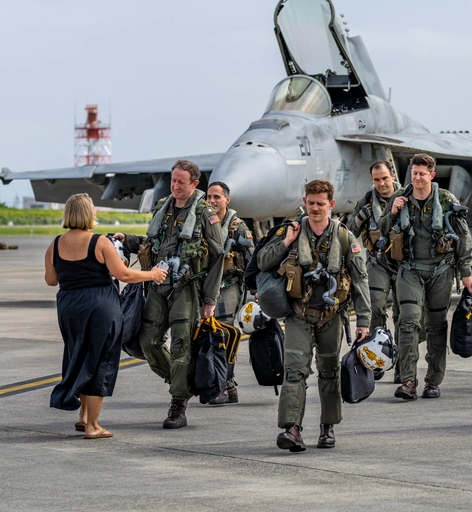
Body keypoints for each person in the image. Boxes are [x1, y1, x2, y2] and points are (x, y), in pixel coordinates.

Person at [256, 179, 371, 452]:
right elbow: (262, 261)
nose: (316, 208)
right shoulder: (291, 232)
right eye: (311, 203)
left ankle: (327, 427)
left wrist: (364, 322)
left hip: (332, 317)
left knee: (329, 372)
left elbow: (360, 280)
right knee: (294, 371)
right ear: (304, 202)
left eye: (321, 203)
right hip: (298, 315)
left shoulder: (345, 238)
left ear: (331, 204)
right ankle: (292, 428)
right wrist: (286, 241)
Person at [43, 193, 168, 439]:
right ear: (88, 214)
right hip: (100, 305)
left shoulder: (54, 244)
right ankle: (93, 426)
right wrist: (152, 275)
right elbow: (124, 274)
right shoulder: (100, 243)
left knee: (77, 354)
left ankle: (82, 417)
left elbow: (51, 280)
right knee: (101, 360)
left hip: (69, 306)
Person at [134, 160, 226, 429]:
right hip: (157, 285)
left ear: (195, 184)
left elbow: (218, 255)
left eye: (181, 182)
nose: (175, 185)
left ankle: (178, 406)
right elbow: (151, 243)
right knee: (147, 342)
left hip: (185, 289)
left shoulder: (204, 212)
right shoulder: (164, 207)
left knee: (180, 347)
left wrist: (210, 300)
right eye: (173, 180)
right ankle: (181, 384)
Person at [380, 153, 472, 401]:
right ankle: (408, 381)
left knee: (436, 326)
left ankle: (433, 381)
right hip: (409, 269)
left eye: (422, 173)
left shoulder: (446, 200)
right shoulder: (399, 197)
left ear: (432, 175)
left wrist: (466, 271)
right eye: (414, 173)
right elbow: (382, 228)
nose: (418, 177)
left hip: (440, 271)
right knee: (408, 322)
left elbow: (464, 237)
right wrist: (392, 212)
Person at [347, 160, 402, 382]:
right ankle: (377, 359)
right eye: (377, 180)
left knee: (404, 318)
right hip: (377, 262)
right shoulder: (367, 201)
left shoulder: (406, 196)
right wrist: (361, 216)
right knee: (375, 311)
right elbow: (349, 231)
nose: (381, 183)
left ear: (392, 176)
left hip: (404, 264)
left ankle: (403, 368)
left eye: (385, 178)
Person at [205, 181, 255, 405]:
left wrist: (256, 289)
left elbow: (253, 258)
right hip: (206, 288)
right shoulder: (203, 222)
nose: (213, 201)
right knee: (208, 336)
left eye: (217, 197)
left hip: (229, 285)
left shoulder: (238, 227)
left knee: (224, 336)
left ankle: (223, 385)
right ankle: (229, 386)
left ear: (227, 199)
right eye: (209, 197)